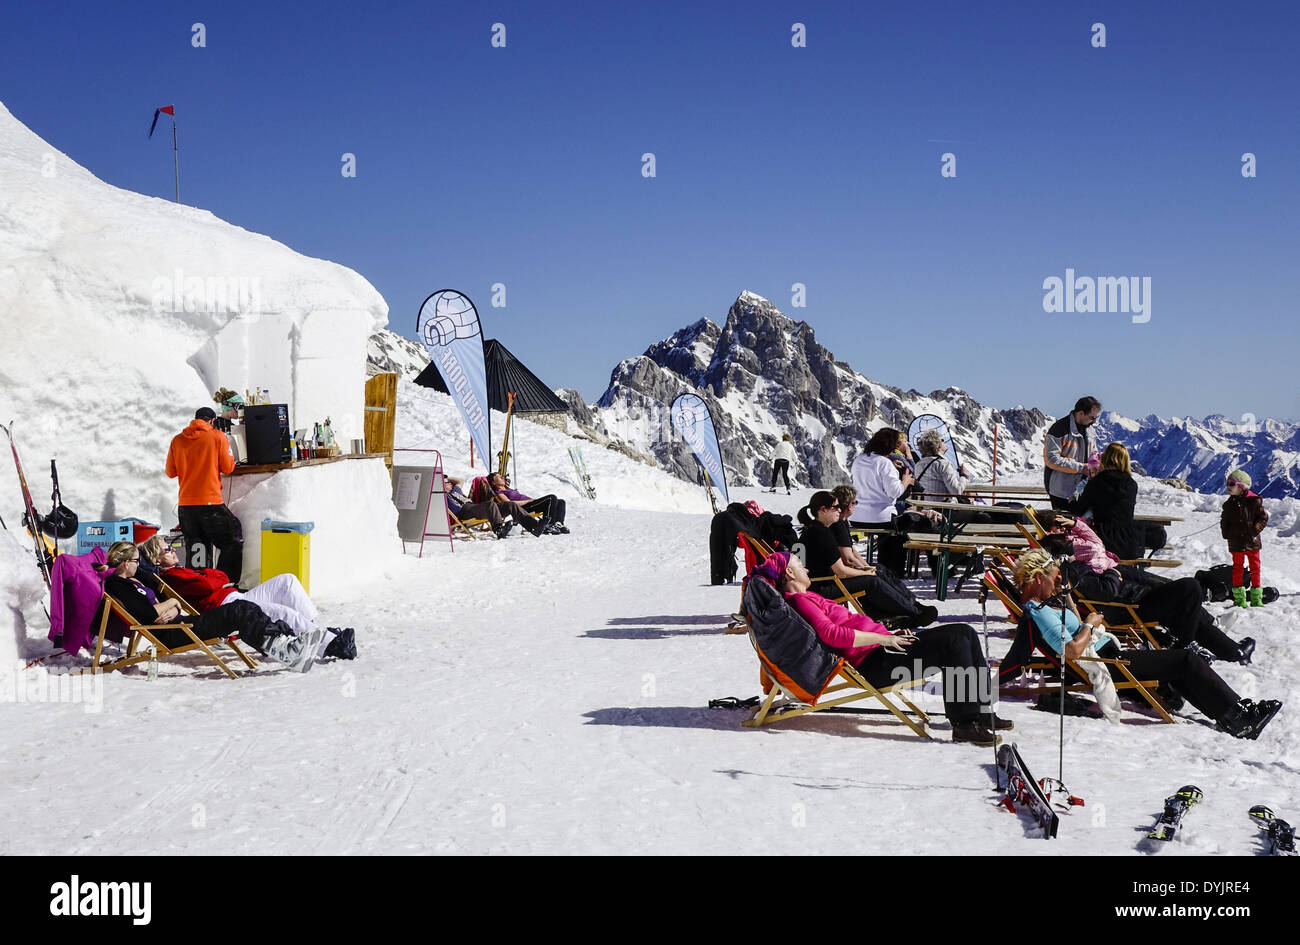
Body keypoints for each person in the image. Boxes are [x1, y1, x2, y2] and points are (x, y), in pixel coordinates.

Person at [1012, 549, 1280, 739]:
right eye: (1055, 577)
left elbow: (1065, 631)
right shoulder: (1039, 612)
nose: (1059, 580)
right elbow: (1071, 651)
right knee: (1184, 660)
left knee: (1179, 665)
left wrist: (1068, 598)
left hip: (1109, 655)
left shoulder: (1044, 605)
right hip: (1107, 664)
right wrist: (1089, 626)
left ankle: (1232, 716)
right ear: (1038, 578)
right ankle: (1239, 717)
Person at [756, 551, 1011, 746]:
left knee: (964, 632)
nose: (807, 568)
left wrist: (888, 635)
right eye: (800, 566)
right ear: (789, 574)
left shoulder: (807, 597)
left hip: (882, 649)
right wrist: (885, 640)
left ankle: (981, 711)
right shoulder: (799, 600)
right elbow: (831, 634)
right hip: (874, 663)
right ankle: (965, 723)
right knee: (955, 642)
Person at [95, 541, 323, 672]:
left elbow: (160, 611)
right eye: (136, 561)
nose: (138, 565)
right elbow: (149, 614)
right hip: (174, 633)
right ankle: (282, 648)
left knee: (245, 608)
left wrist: (171, 608)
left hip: (178, 623)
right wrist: (173, 603)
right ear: (126, 563)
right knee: (239, 610)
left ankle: (282, 644)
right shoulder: (119, 584)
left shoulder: (132, 582)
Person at [1037, 531, 1255, 665]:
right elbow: (1106, 592)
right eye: (1070, 541)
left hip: (1139, 598)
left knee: (1186, 608)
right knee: (1191, 588)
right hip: (1131, 608)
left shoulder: (1080, 565)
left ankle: (1233, 652)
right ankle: (1184, 647)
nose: (1076, 543)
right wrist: (1113, 572)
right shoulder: (1075, 573)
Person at [137, 535, 355, 660]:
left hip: (233, 595)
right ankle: (330, 645)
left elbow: (221, 577)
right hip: (226, 605)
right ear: (157, 560)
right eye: (166, 549)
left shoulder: (180, 570)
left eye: (169, 545)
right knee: (282, 612)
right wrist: (214, 577)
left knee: (287, 581)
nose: (172, 549)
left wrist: (216, 577)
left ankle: (313, 629)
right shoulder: (172, 576)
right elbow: (209, 582)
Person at [796, 490, 937, 628]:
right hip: (821, 587)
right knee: (872, 581)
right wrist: (866, 572)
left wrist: (865, 570)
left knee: (873, 574)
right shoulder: (822, 534)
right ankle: (915, 614)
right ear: (823, 510)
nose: (839, 510)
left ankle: (897, 611)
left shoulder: (816, 529)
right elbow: (840, 570)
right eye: (835, 507)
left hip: (816, 583)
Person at [166, 406, 244, 585]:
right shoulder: (217, 436)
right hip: (211, 505)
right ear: (212, 421)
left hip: (186, 507)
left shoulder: (177, 441)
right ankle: (225, 585)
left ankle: (198, 590)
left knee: (198, 549)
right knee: (232, 541)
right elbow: (228, 468)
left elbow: (170, 472)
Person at [1067, 442, 1163, 559]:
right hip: (1129, 541)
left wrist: (1071, 501)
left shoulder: (1097, 482)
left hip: (1104, 541)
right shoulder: (1132, 484)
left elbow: (1079, 510)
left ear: (1106, 458)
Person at [850, 428, 914, 576]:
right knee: (901, 531)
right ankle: (893, 570)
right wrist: (905, 481)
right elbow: (895, 492)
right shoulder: (884, 463)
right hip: (881, 517)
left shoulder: (859, 459)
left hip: (857, 516)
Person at [1043, 396, 1101, 509]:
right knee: (1063, 524)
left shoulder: (1090, 430)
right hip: (1061, 491)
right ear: (1080, 413)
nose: (1094, 421)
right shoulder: (1059, 429)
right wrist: (1080, 468)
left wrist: (1095, 465)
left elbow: (1093, 453)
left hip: (1083, 489)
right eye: (1092, 417)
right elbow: (1051, 459)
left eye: (1096, 418)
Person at [1222, 470, 1269, 607]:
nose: (1228, 486)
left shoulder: (1254, 501)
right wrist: (1226, 533)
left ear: (1241, 486)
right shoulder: (1229, 504)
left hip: (1252, 541)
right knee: (1237, 568)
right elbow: (1224, 521)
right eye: (1227, 483)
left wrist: (1255, 530)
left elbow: (1263, 518)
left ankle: (1256, 598)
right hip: (1236, 541)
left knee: (1255, 567)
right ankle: (1239, 599)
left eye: (1232, 484)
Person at [446, 476, 544, 538]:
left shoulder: (456, 490)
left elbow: (460, 480)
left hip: (475, 507)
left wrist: (446, 478)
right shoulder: (442, 495)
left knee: (511, 504)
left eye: (450, 483)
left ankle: (534, 527)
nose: (450, 483)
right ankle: (498, 529)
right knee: (490, 504)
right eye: (447, 483)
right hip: (465, 511)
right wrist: (440, 482)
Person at [477, 472, 569, 534]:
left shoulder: (508, 489)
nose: (502, 477)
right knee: (551, 498)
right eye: (499, 477)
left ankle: (558, 523)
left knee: (561, 502)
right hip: (525, 507)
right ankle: (548, 525)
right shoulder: (499, 493)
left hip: (531, 503)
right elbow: (509, 504)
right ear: (493, 483)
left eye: (502, 476)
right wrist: (528, 501)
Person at [913, 429, 968, 499]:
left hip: (924, 506)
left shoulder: (918, 464)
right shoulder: (943, 464)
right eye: (942, 440)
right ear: (937, 445)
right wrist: (964, 475)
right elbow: (956, 491)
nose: (944, 441)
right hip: (942, 508)